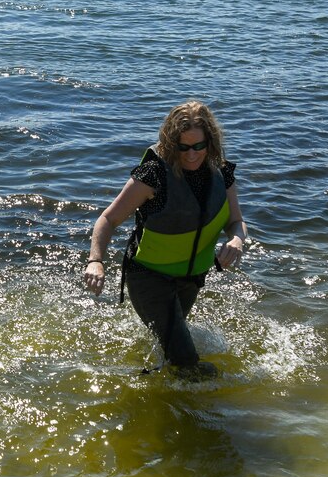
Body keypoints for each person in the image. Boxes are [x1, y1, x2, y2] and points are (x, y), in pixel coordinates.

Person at [83, 102, 249, 378]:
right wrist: (95, 261)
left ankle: (147, 385)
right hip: (148, 277)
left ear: (211, 141)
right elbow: (108, 219)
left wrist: (237, 241)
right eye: (183, 147)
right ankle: (199, 413)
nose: (192, 154)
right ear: (171, 143)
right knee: (187, 362)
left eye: (199, 146)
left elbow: (235, 222)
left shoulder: (222, 173)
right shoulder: (153, 174)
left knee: (169, 346)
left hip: (190, 278)